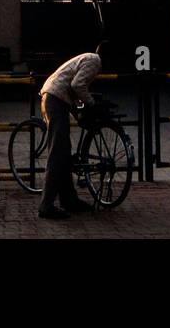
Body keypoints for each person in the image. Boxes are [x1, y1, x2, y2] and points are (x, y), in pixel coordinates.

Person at [37, 42, 105, 219]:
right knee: (58, 152)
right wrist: (91, 104)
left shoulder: (88, 58)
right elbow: (77, 85)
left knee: (64, 151)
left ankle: (69, 199)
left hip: (55, 96)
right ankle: (46, 205)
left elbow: (73, 87)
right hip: (55, 99)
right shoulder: (95, 61)